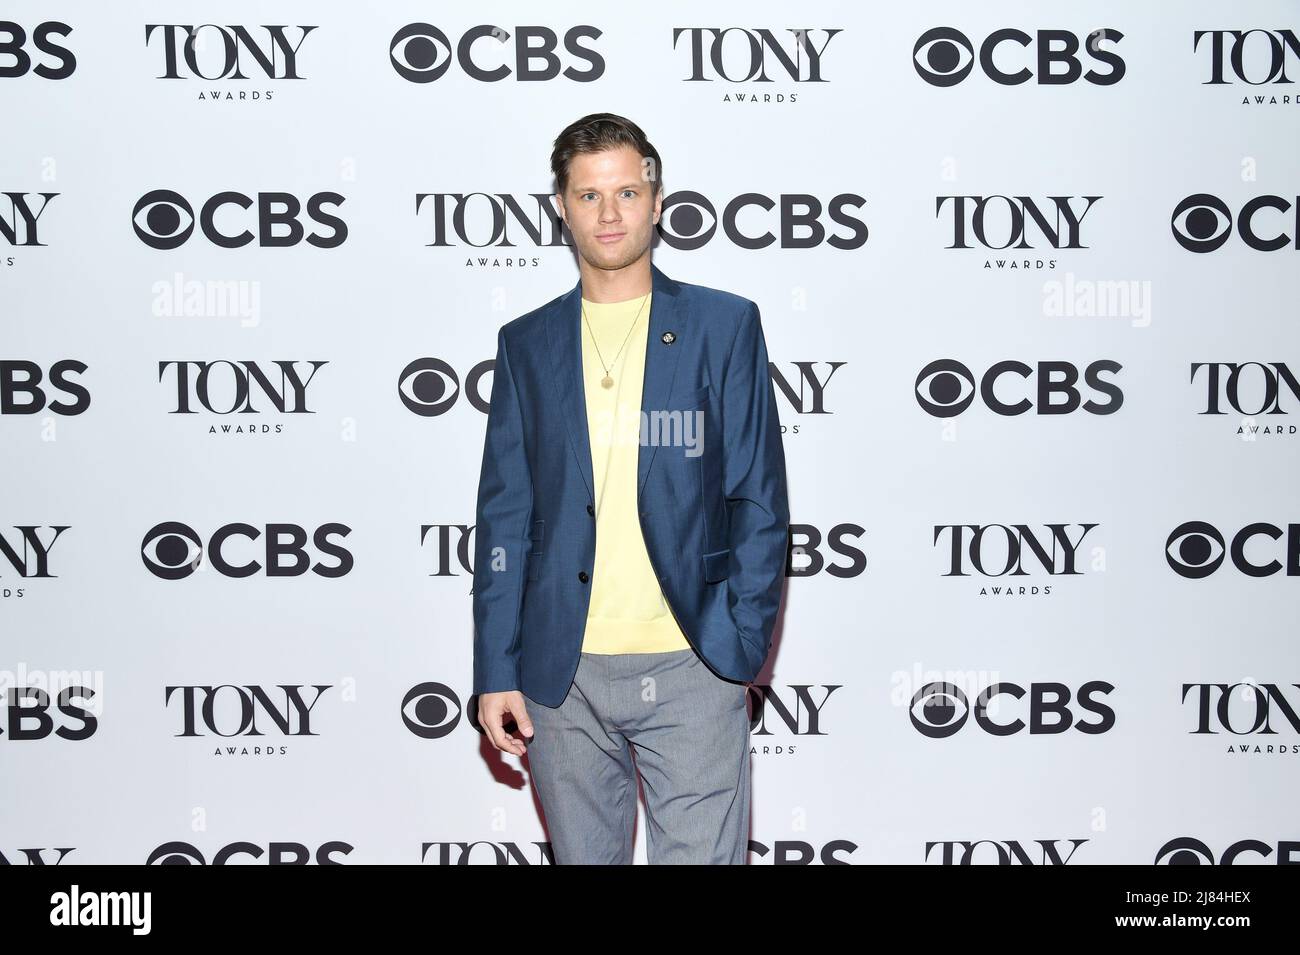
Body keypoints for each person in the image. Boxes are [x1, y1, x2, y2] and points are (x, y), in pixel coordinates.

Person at [471, 112, 789, 864]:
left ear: (655, 199)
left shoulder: (724, 325)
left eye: (625, 192)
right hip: (562, 673)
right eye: (588, 195)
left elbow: (758, 498)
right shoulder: (526, 343)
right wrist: (495, 670)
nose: (608, 213)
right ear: (561, 207)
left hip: (692, 662)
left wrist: (735, 647)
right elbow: (505, 516)